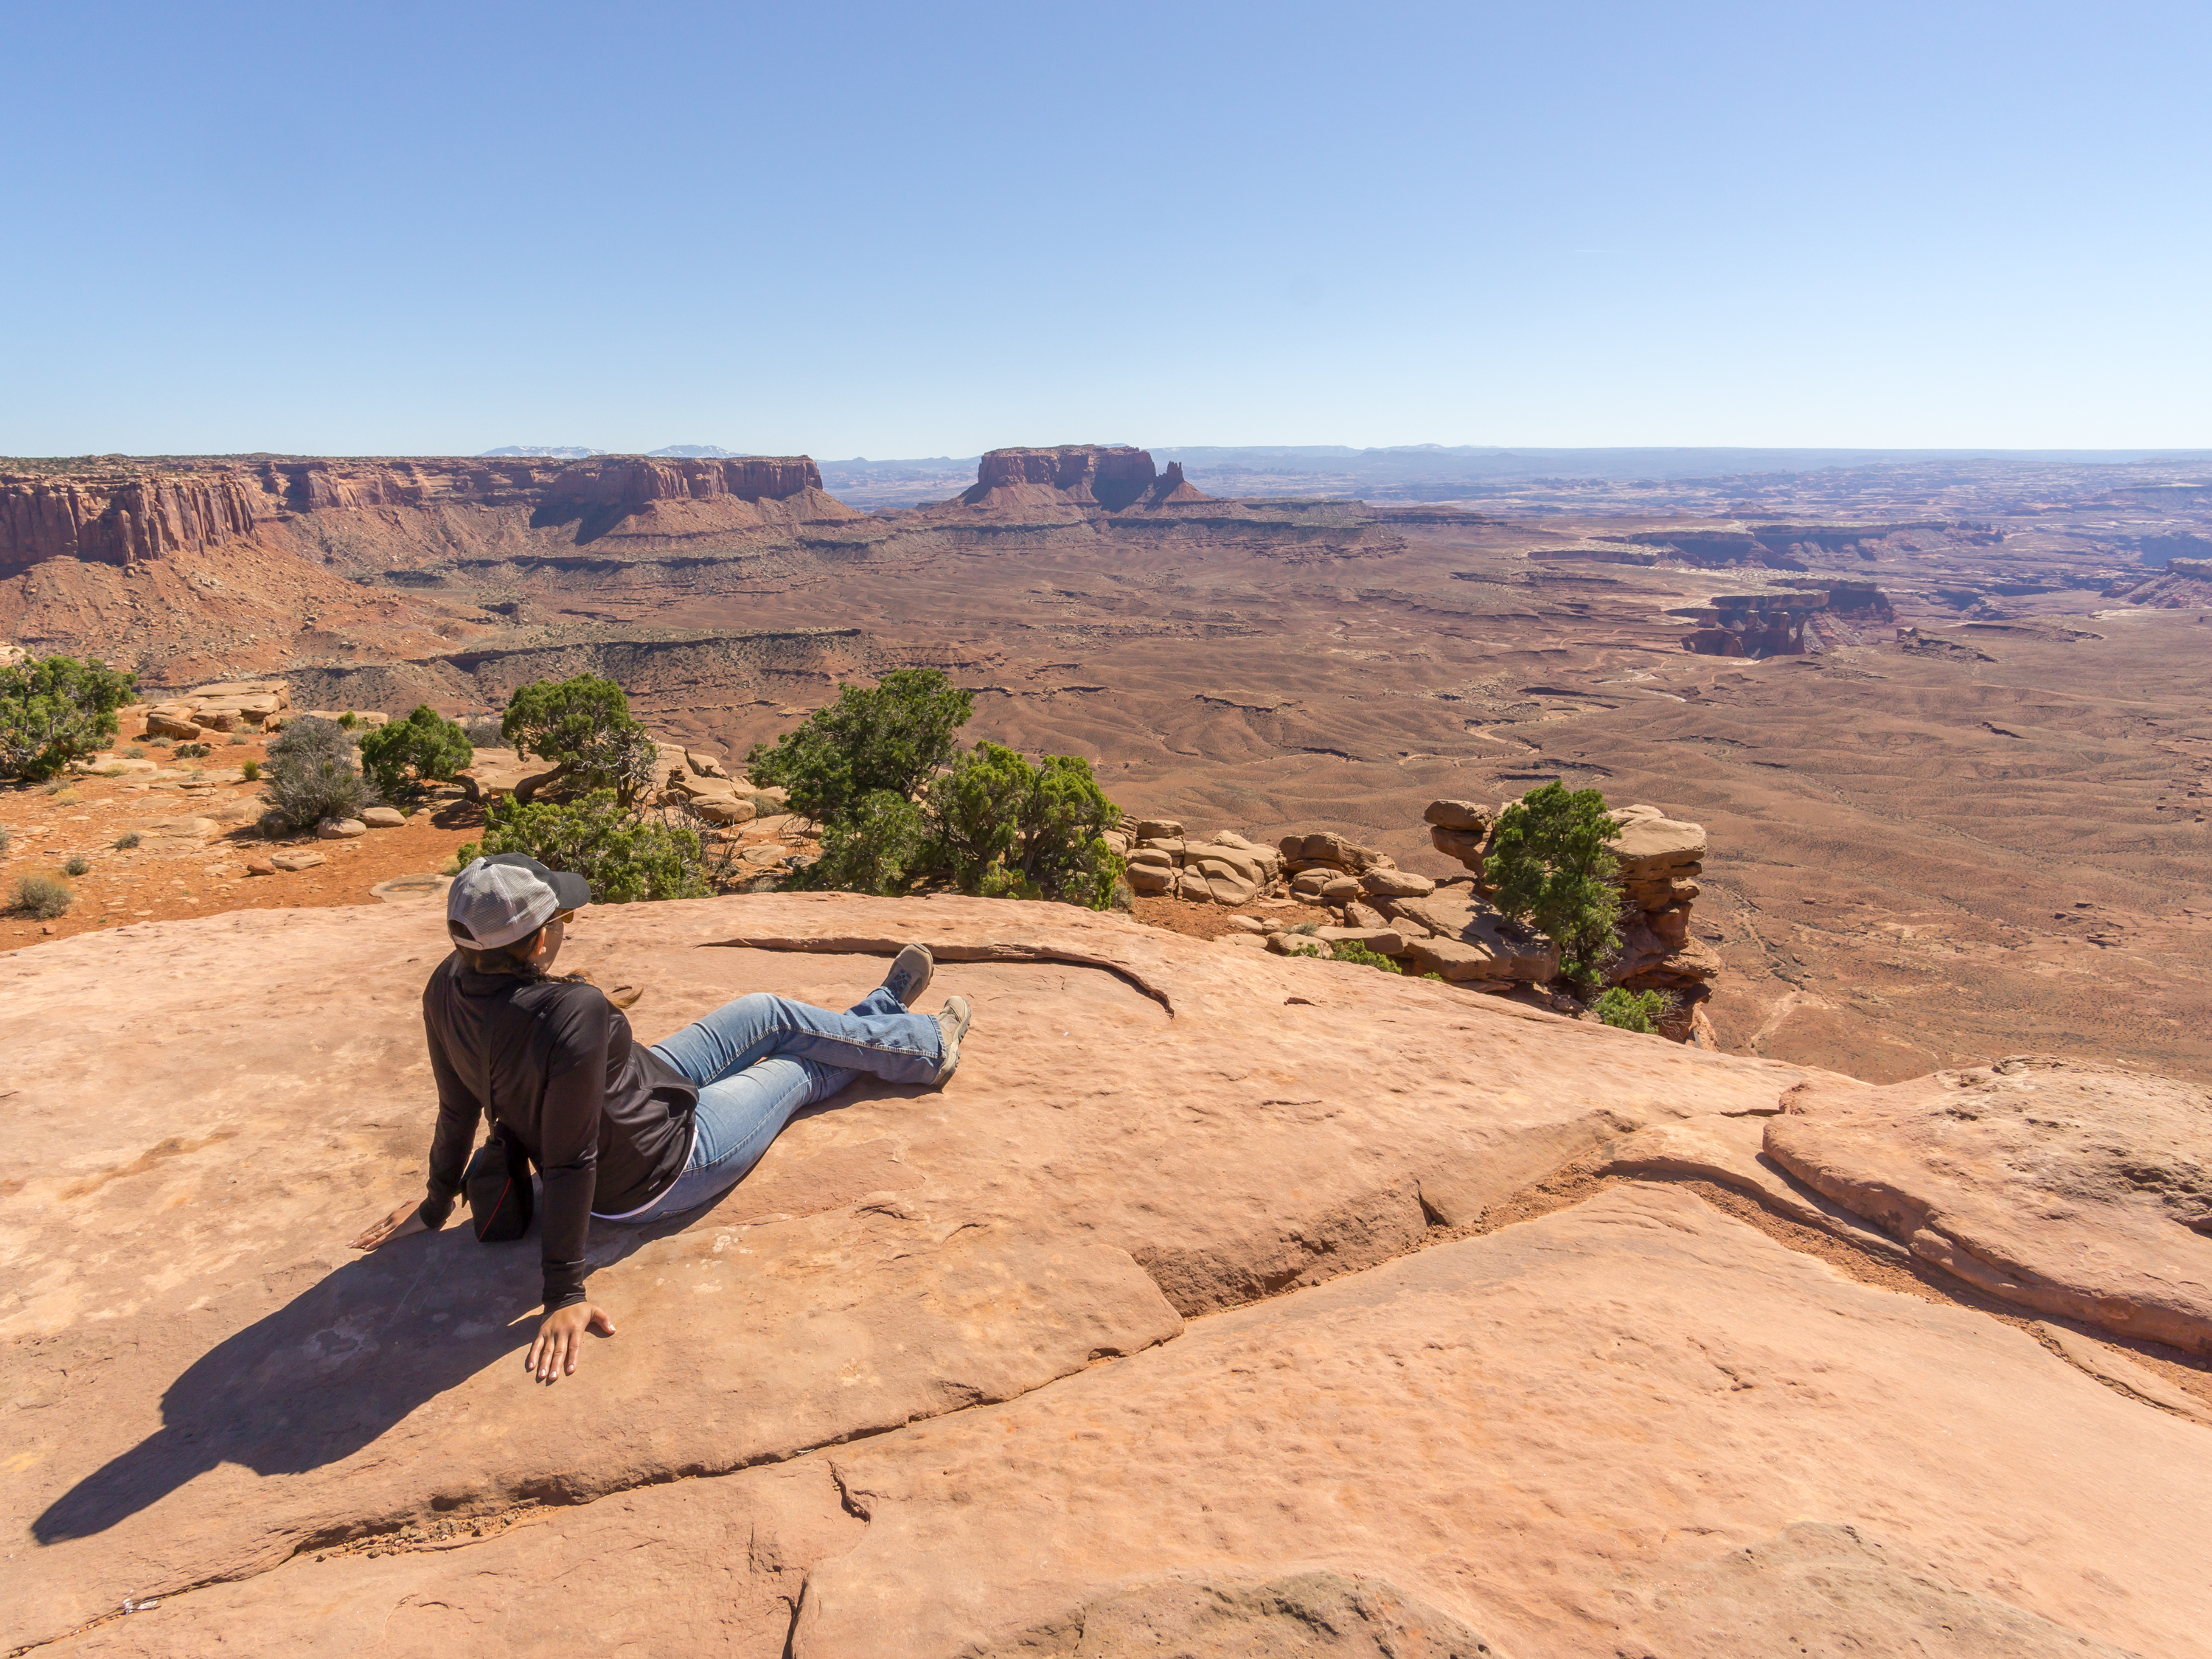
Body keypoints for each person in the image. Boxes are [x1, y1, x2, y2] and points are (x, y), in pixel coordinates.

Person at [349, 852, 970, 1384]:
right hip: (665, 1165)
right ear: (539, 940)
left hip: (641, 1087)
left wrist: (436, 1203)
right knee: (797, 1066)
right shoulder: (571, 1010)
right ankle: (925, 1048)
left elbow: (456, 1106)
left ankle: (880, 1011)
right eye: (561, 918)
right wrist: (564, 1293)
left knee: (767, 1012)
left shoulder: (446, 985)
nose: (566, 926)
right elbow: (570, 1160)